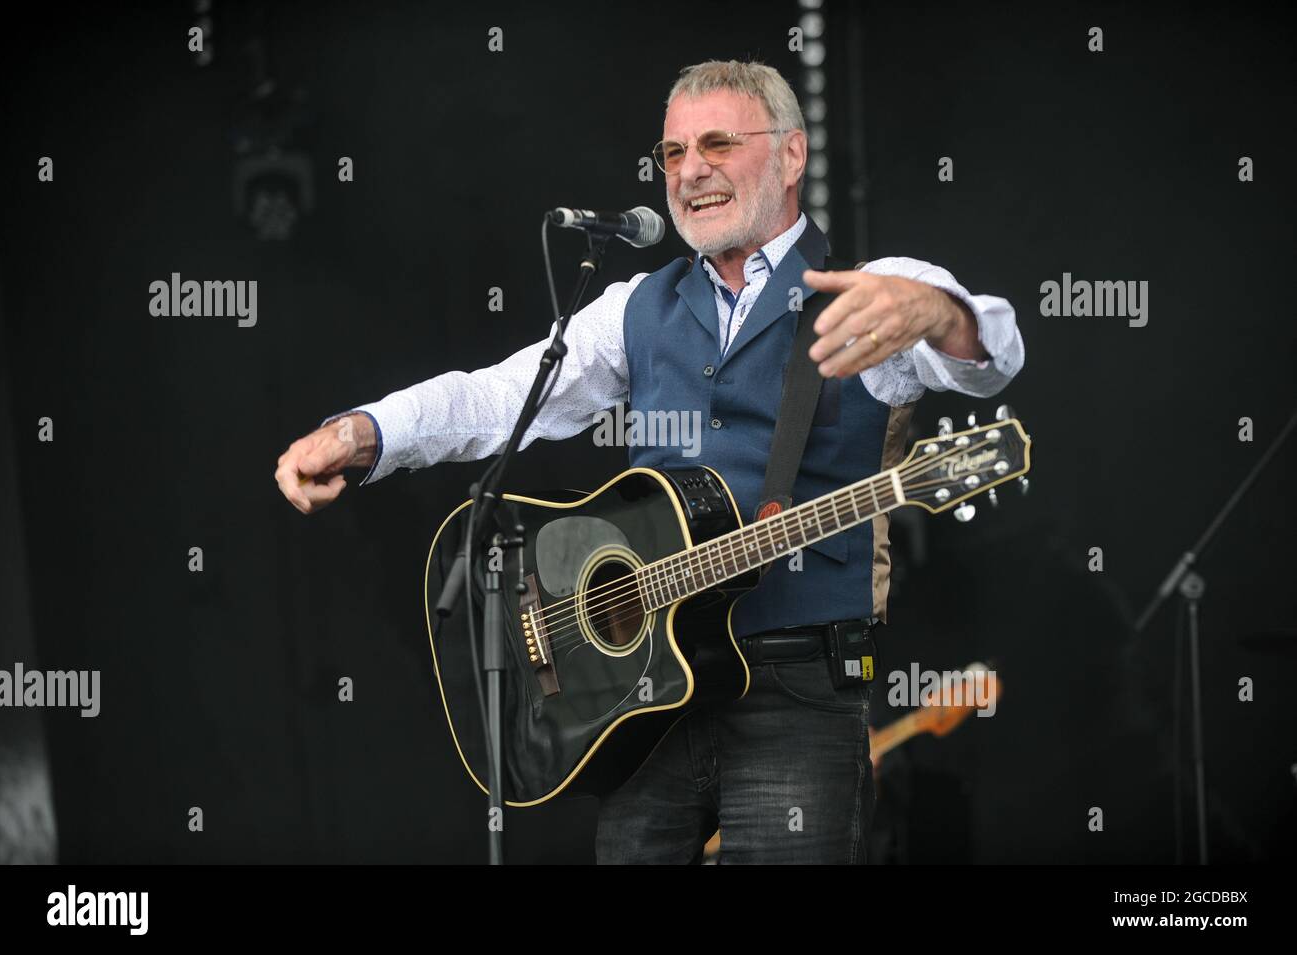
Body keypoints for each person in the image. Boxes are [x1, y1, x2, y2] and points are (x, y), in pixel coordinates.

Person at [274, 60, 1024, 863]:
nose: (690, 169)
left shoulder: (871, 288)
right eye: (672, 153)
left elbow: (992, 356)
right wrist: (363, 432)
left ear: (794, 156)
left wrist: (942, 316)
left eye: (717, 143)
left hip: (797, 694)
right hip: (647, 699)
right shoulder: (636, 305)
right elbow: (498, 397)